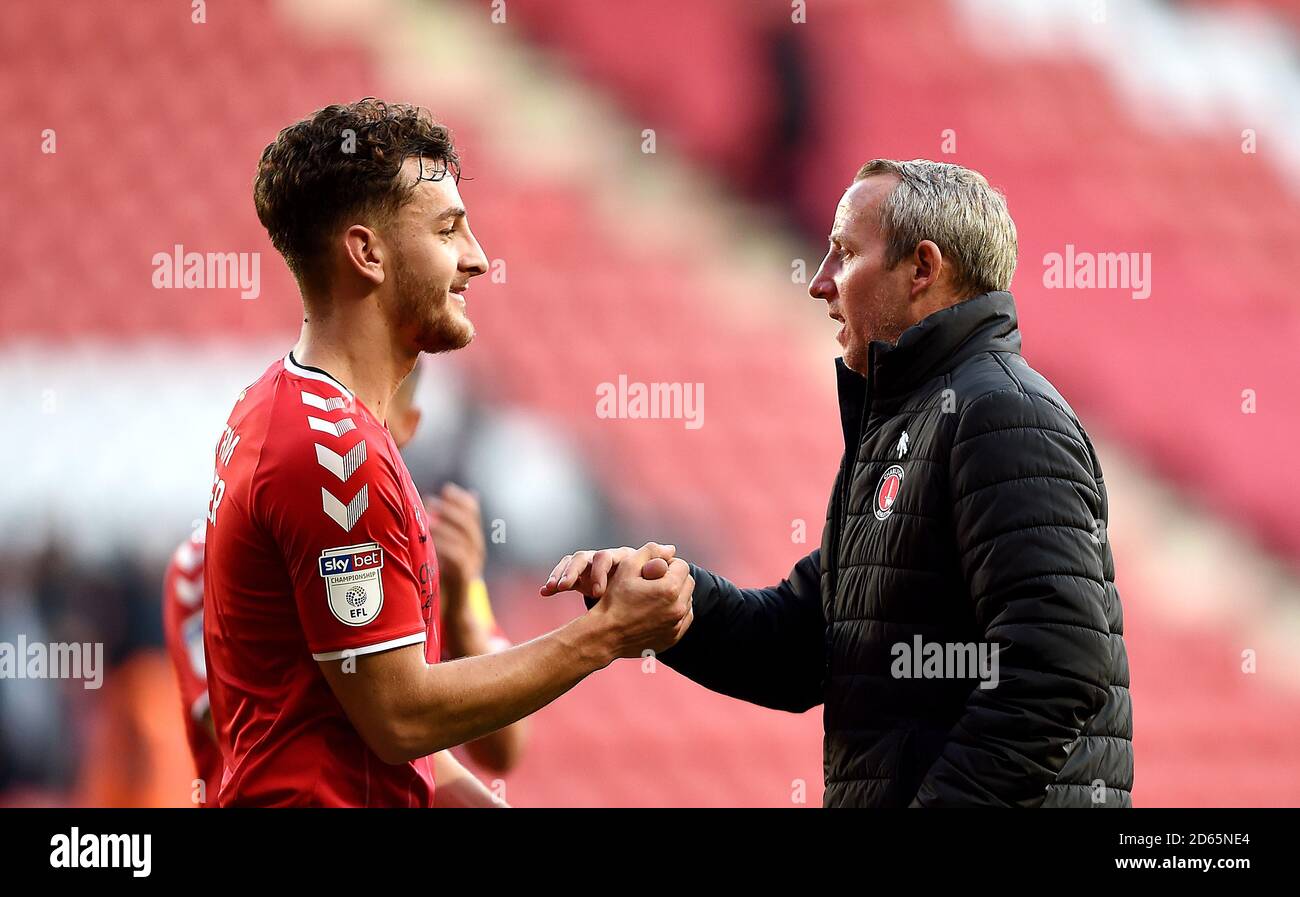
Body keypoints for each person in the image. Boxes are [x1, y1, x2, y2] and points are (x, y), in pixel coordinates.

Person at [543, 159, 1133, 808]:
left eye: (844, 254)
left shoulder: (1002, 414)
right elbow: (805, 645)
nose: (819, 283)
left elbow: (1056, 667)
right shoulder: (909, 424)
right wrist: (674, 604)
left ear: (922, 269)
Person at [202, 99, 693, 807]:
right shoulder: (330, 451)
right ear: (367, 254)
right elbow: (400, 712)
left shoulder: (292, 410)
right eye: (448, 229)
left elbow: (348, 705)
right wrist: (607, 633)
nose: (479, 257)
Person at [162, 370, 526, 805]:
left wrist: (463, 601)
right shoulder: (201, 565)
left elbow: (504, 747)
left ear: (407, 426)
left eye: (368, 419)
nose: (345, 442)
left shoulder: (432, 549)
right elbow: (237, 727)